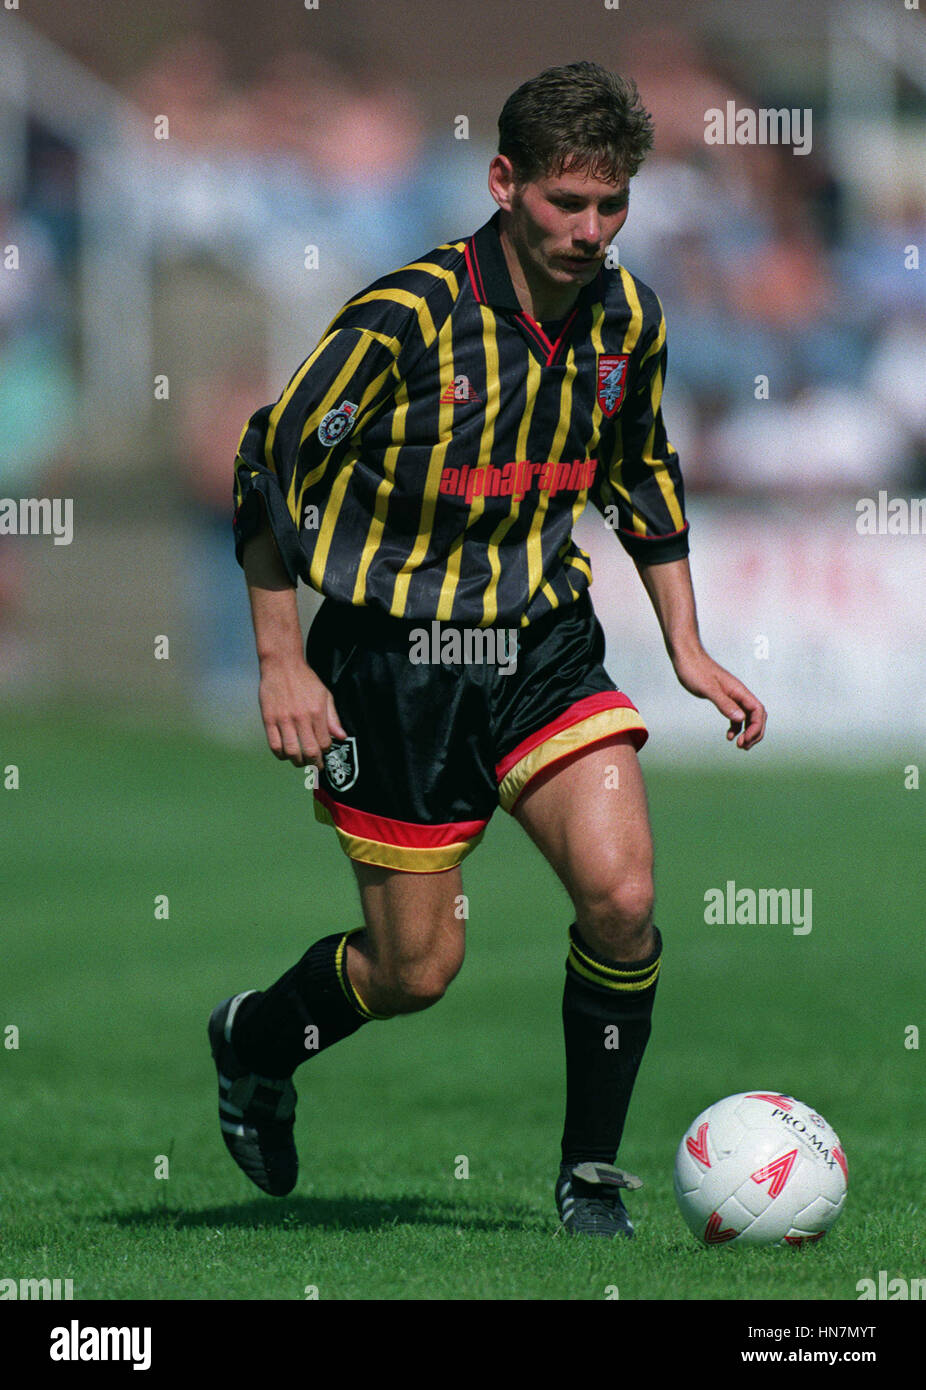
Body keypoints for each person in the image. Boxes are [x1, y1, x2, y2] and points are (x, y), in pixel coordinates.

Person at [210, 61, 767, 1239]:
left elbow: (639, 477)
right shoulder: (402, 317)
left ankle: (588, 1180)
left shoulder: (630, 320)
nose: (589, 229)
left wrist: (686, 646)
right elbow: (268, 466)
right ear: (503, 182)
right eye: (567, 203)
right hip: (392, 667)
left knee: (621, 898)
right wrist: (279, 659)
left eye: (611, 205)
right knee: (414, 972)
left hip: (540, 646)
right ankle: (257, 1038)